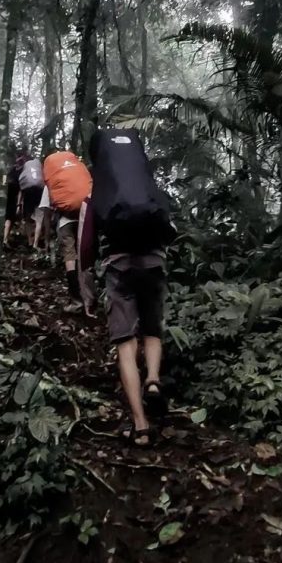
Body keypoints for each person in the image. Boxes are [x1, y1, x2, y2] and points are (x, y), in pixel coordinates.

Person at [78, 129, 175, 447]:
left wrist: (87, 293)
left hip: (119, 268)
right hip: (154, 263)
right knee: (152, 329)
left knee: (125, 344)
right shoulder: (148, 188)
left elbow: (86, 248)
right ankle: (153, 380)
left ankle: (141, 426)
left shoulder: (98, 194)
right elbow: (169, 227)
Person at [42, 150, 95, 314]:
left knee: (70, 257)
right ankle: (90, 300)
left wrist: (46, 236)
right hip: (85, 217)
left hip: (65, 220)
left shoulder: (52, 180)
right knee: (85, 258)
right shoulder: (78, 173)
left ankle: (76, 301)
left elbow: (46, 210)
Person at [2, 145, 30, 246]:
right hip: (12, 196)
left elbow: (4, 177)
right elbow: (20, 190)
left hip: (7, 195)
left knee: (8, 218)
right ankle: (5, 239)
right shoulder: (21, 171)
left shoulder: (14, 170)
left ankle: (5, 238)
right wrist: (19, 204)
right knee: (9, 218)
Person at [18, 155, 45, 246]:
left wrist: (19, 204)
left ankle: (30, 241)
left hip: (28, 193)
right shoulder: (39, 166)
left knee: (27, 218)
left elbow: (21, 187)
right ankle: (35, 244)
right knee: (39, 220)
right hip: (40, 192)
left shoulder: (25, 168)